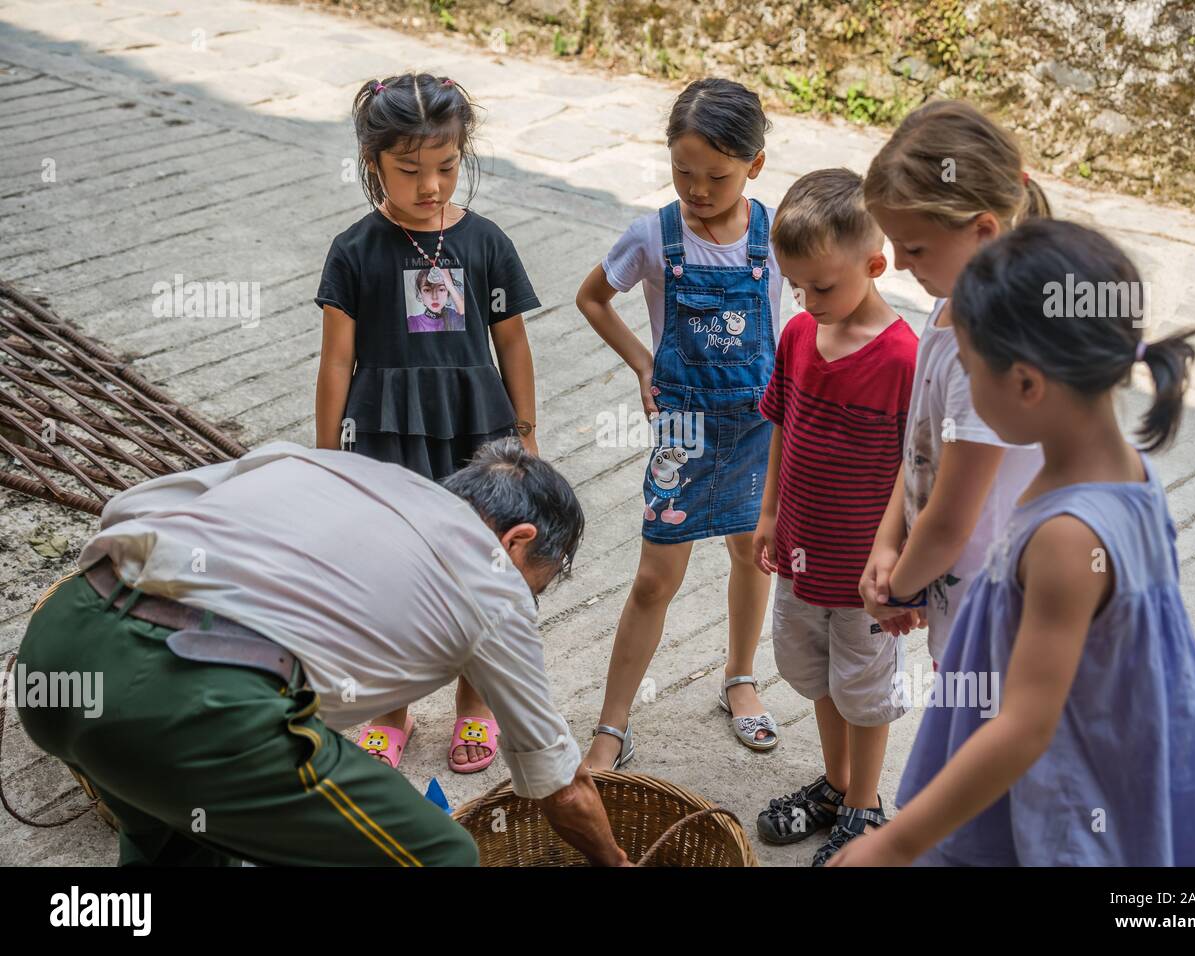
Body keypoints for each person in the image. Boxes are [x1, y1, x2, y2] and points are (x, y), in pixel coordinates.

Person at [830, 219, 1195, 866]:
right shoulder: (1125, 471)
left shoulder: (1067, 540)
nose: (961, 383)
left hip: (1065, 809)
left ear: (1025, 384)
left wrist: (895, 842)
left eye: (968, 367)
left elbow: (1024, 727)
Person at [17, 439, 628, 867]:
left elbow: (127, 510)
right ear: (517, 542)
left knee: (182, 843)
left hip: (60, 643)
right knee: (439, 853)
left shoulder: (329, 466)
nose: (528, 600)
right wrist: (613, 863)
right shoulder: (494, 581)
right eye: (537, 584)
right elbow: (561, 784)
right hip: (188, 701)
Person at [316, 73, 541, 774]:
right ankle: (392, 706)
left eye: (446, 167)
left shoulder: (486, 243)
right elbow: (334, 363)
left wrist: (526, 436)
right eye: (410, 171)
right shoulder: (355, 250)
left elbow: (512, 343)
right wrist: (328, 459)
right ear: (372, 162)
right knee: (395, 569)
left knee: (478, 561)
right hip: (386, 429)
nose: (432, 185)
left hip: (477, 426)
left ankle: (475, 705)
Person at [575, 78, 786, 767]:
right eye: (682, 172)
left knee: (751, 553)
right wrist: (642, 364)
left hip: (758, 425)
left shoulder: (777, 237)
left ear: (755, 164)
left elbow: (811, 315)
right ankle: (612, 723)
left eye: (717, 177)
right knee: (651, 579)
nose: (697, 189)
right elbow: (593, 297)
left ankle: (741, 679)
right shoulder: (653, 236)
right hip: (683, 433)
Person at [750, 169, 920, 865]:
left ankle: (865, 808)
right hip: (798, 555)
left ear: (874, 265)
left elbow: (920, 469)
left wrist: (901, 563)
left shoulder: (906, 358)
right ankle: (838, 781)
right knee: (817, 675)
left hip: (866, 576)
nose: (807, 300)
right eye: (796, 286)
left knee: (866, 690)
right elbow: (783, 427)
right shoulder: (797, 336)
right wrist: (768, 514)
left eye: (823, 286)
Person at [858, 100, 1047, 665]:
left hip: (992, 607)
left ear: (983, 232)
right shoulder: (948, 304)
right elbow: (921, 450)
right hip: (952, 587)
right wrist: (887, 542)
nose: (895, 262)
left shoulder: (987, 349)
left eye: (913, 248)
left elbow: (952, 518)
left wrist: (897, 586)